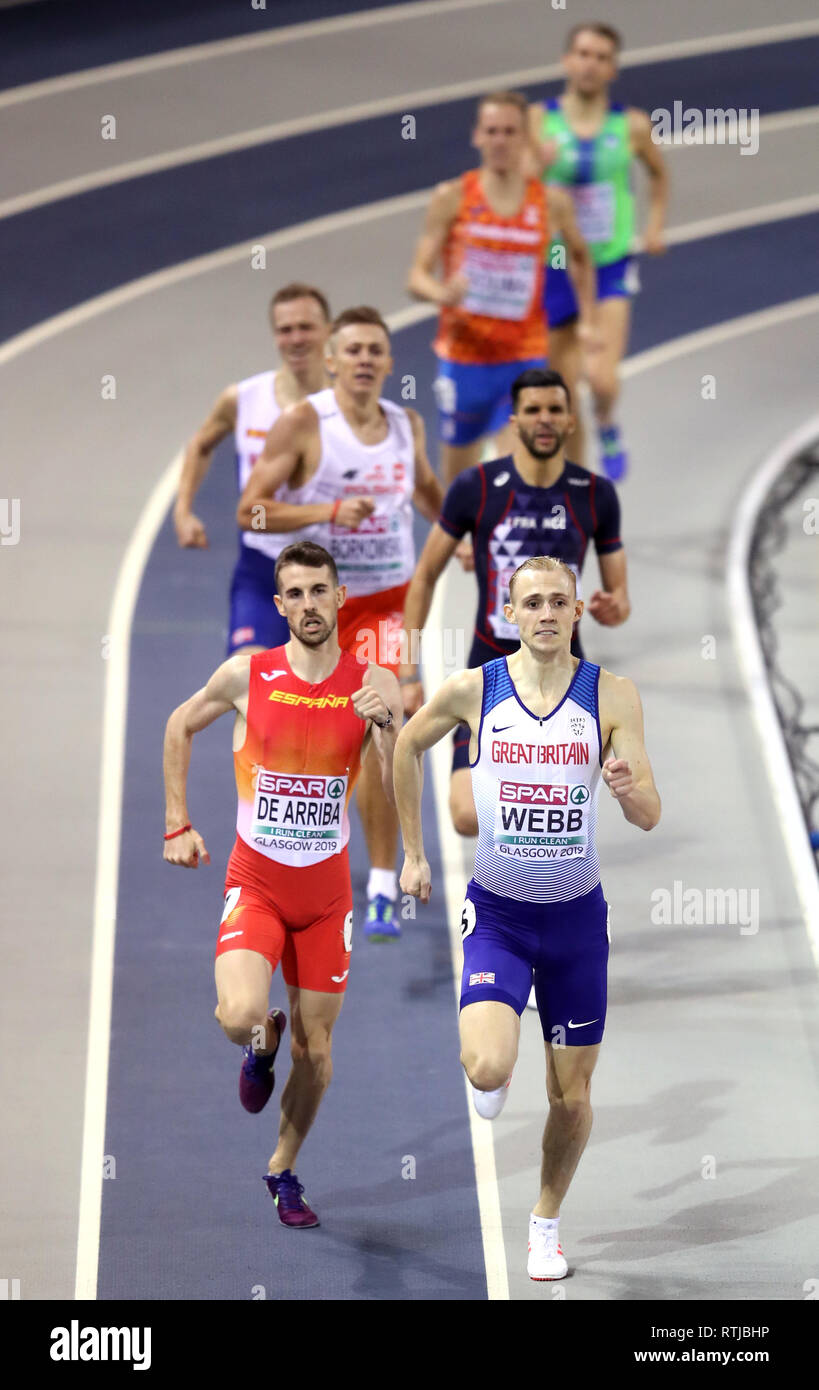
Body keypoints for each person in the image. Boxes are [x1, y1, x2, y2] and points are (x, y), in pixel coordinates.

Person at [394, 554, 660, 1279]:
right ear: (506, 615)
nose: (545, 613)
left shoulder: (612, 695)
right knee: (485, 1064)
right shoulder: (473, 690)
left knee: (569, 1096)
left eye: (557, 602)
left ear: (577, 612)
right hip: (501, 917)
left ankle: (544, 1222)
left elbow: (647, 815)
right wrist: (411, 853)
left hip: (576, 925)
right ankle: (496, 1061)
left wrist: (627, 786)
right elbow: (406, 745)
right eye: (531, 602)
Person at [163, 542, 402, 1228]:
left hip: (326, 899)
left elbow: (397, 773)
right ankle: (257, 1042)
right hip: (258, 884)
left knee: (317, 1053)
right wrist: (177, 823)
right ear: (279, 605)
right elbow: (179, 723)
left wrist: (386, 727)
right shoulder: (247, 673)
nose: (307, 605)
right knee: (238, 1015)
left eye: (317, 591)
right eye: (293, 594)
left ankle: (282, 1169)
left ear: (339, 598)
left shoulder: (374, 683)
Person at [237, 306, 443, 940]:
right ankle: (280, 854)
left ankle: (384, 881)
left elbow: (431, 493)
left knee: (390, 723)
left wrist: (461, 534)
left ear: (387, 361)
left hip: (390, 603)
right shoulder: (304, 423)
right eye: (350, 350)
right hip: (321, 608)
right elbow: (252, 514)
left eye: (374, 350)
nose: (362, 360)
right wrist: (326, 510)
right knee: (319, 747)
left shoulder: (407, 425)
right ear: (330, 360)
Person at [399, 368, 629, 840]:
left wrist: (613, 607)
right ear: (515, 419)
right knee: (465, 815)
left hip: (567, 674)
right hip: (490, 666)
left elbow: (620, 598)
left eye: (554, 410)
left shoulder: (597, 495)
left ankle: (526, 890)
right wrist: (407, 670)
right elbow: (423, 577)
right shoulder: (476, 488)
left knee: (562, 817)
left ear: (569, 421)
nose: (544, 419)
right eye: (533, 410)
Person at [407, 89, 596, 485]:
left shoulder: (551, 204)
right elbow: (416, 277)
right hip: (465, 358)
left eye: (510, 131)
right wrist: (441, 293)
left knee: (521, 472)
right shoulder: (453, 198)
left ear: (525, 139)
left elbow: (578, 256)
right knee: (458, 487)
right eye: (491, 131)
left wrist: (588, 321)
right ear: (477, 136)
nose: (500, 140)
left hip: (524, 356)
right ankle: (468, 543)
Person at [528, 22, 669, 478]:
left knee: (602, 378)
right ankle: (577, 483)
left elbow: (659, 175)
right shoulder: (537, 120)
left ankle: (607, 422)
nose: (590, 64)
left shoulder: (630, 125)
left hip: (608, 261)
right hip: (555, 264)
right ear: (566, 61)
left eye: (601, 57)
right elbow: (512, 185)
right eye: (583, 54)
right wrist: (535, 166)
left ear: (613, 69)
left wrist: (654, 226)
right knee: (563, 390)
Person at [173, 282, 332, 656]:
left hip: (330, 568)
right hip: (262, 569)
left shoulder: (348, 406)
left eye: (306, 327)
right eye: (285, 329)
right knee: (249, 685)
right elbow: (200, 444)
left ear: (329, 330)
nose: (295, 338)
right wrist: (183, 511)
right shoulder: (243, 399)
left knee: (330, 702)